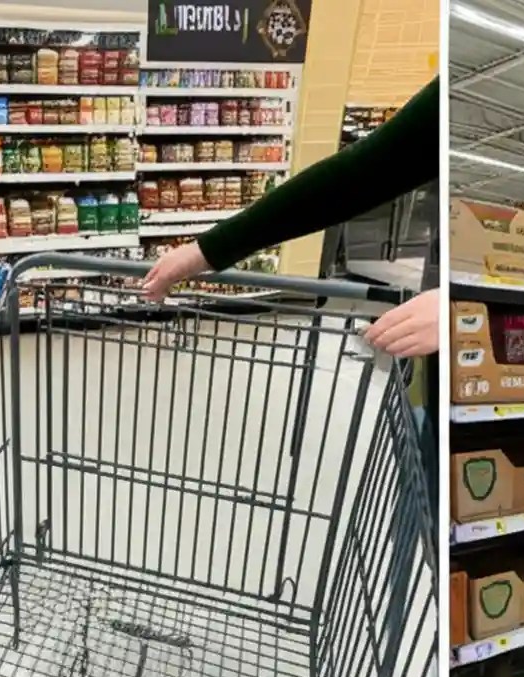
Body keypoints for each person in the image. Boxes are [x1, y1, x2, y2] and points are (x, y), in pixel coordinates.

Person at [141, 75, 441, 512]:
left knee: (430, 518)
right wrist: (206, 250)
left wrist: (453, 307)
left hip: (451, 348)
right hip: (448, 375)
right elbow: (360, 173)